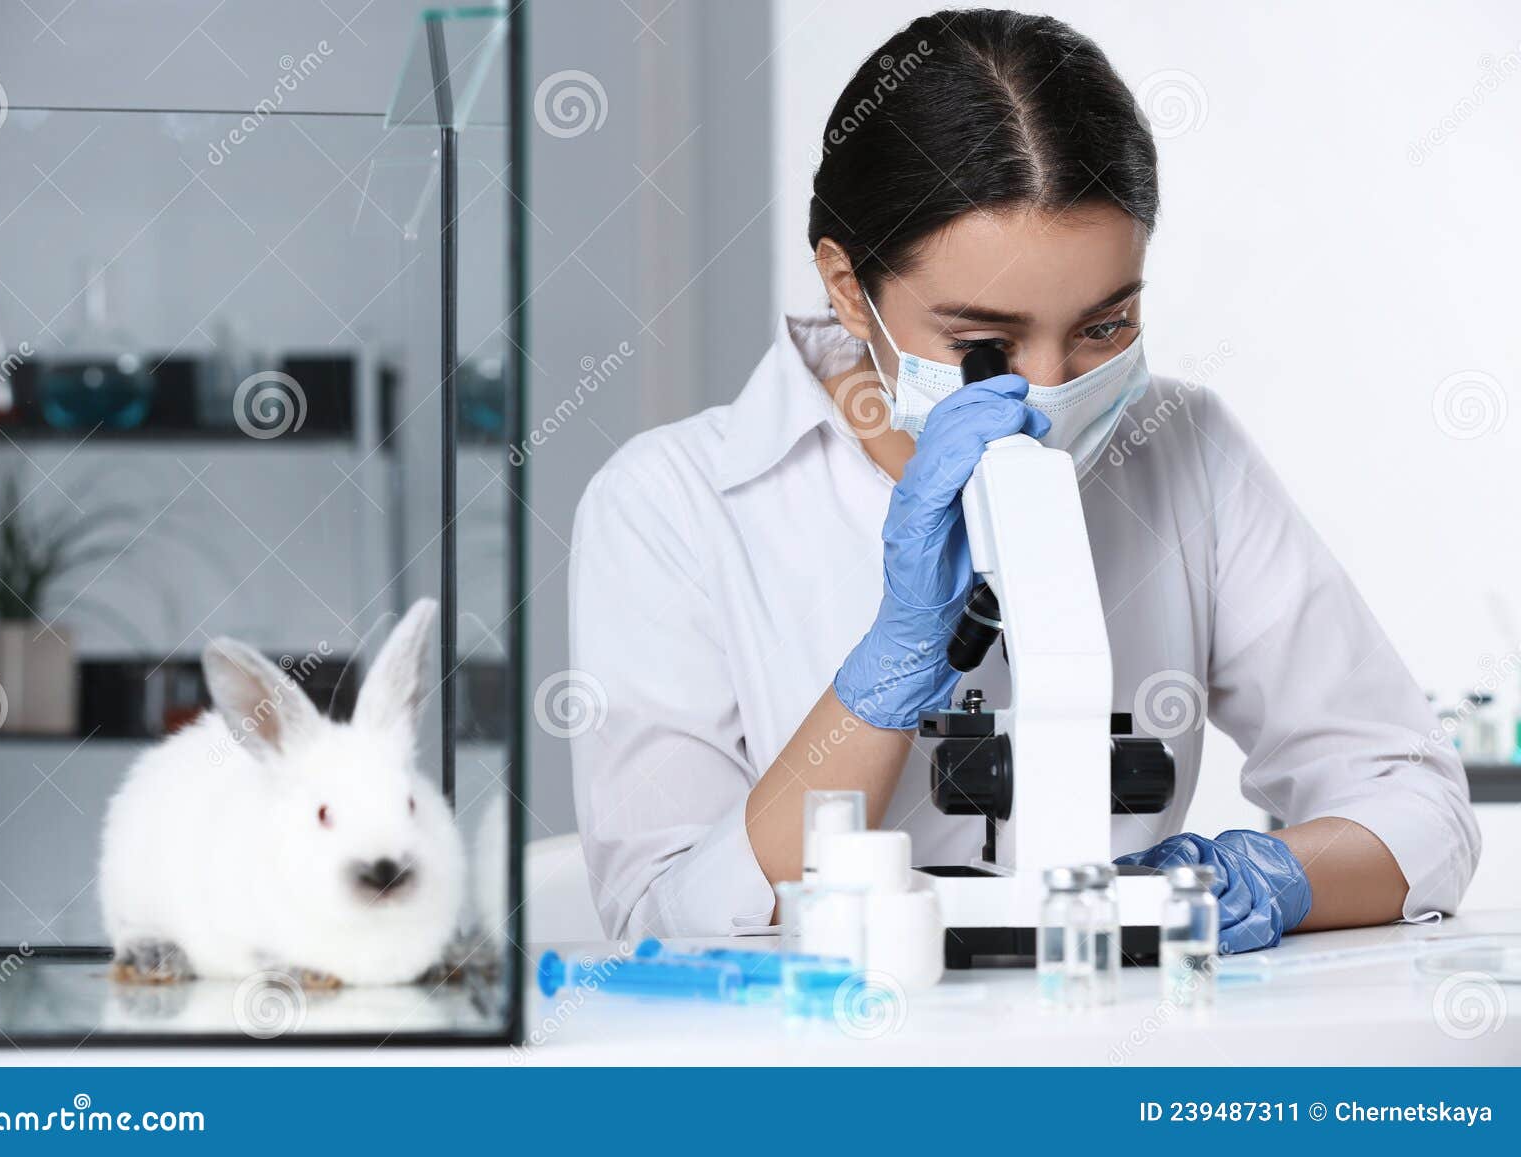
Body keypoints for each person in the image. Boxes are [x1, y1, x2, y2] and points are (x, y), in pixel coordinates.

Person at [568, 8, 1479, 952]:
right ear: (847, 287)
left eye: (1103, 326)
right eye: (982, 344)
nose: (1048, 390)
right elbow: (663, 916)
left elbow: (1414, 802)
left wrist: (1266, 874)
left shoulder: (1185, 448)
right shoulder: (671, 504)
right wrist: (883, 679)